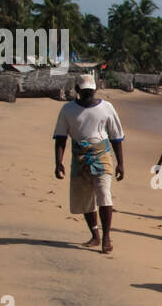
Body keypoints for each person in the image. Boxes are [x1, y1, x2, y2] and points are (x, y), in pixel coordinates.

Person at [53, 74, 125, 253]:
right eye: (84, 91)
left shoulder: (107, 108)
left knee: (104, 194)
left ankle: (107, 236)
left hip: (102, 156)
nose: (88, 94)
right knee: (85, 199)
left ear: (95, 90)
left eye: (90, 91)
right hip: (79, 157)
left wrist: (120, 163)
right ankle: (95, 234)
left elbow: (116, 137)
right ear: (77, 90)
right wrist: (58, 162)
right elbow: (61, 137)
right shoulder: (67, 109)